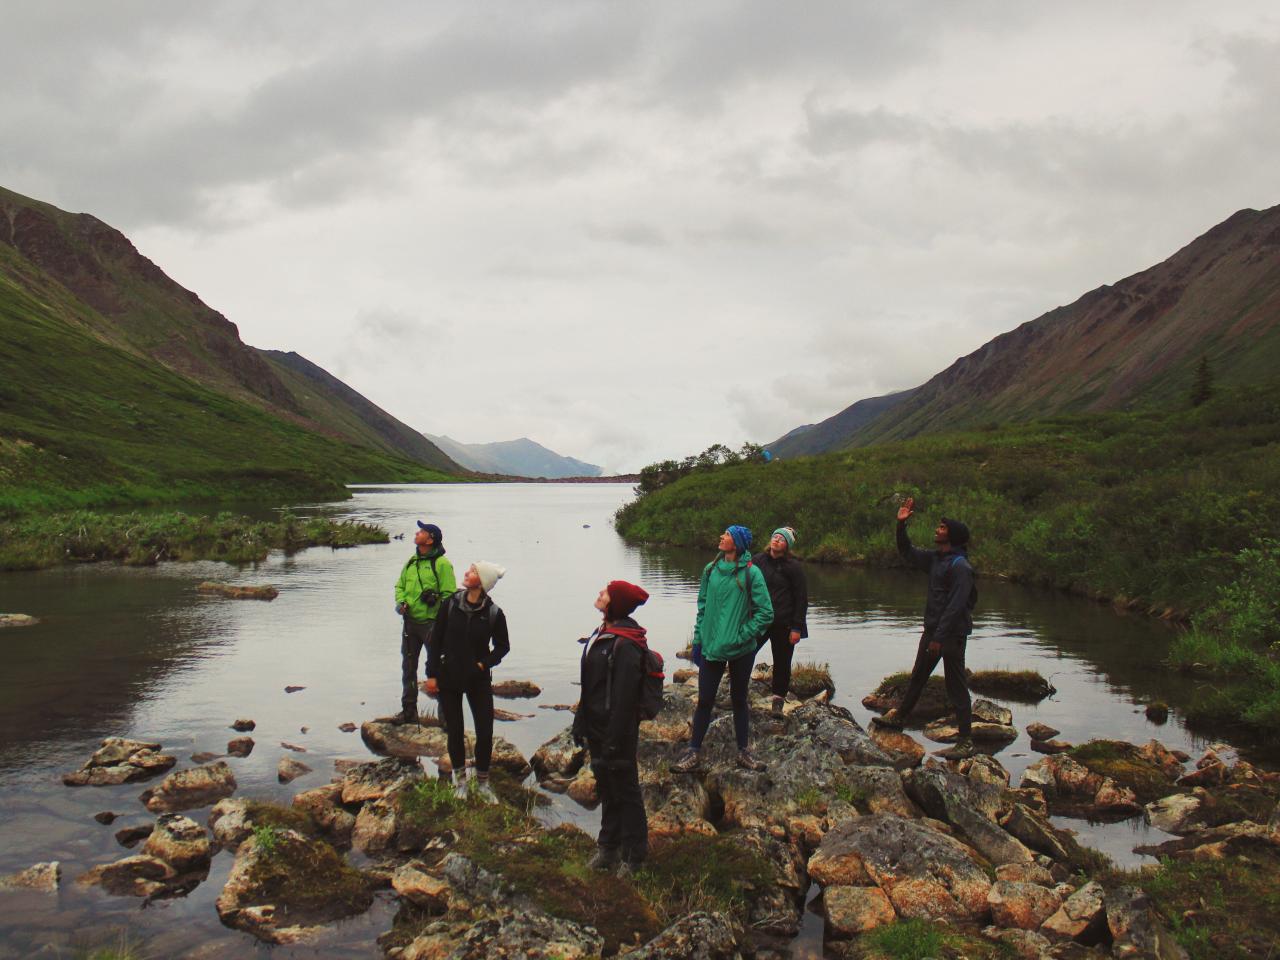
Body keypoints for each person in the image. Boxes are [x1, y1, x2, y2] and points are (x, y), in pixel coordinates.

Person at [873, 497, 978, 759]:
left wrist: (938, 638)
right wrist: (901, 526)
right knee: (918, 676)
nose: (937, 529)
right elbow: (907, 551)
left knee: (956, 686)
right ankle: (899, 718)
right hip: (933, 632)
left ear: (952, 536)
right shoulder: (936, 559)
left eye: (942, 528)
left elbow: (955, 607)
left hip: (951, 636)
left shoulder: (961, 567)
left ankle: (966, 741)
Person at [673, 525, 774, 773]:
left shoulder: (752, 573)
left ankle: (743, 752)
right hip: (711, 648)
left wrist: (742, 635)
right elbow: (702, 607)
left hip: (741, 649)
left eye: (727, 535)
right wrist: (698, 639)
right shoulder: (711, 570)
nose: (721, 537)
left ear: (737, 544)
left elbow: (766, 613)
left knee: (739, 699)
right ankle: (693, 752)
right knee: (705, 700)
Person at [572, 580, 652, 876]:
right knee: (607, 787)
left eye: (605, 593)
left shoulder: (626, 644)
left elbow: (625, 698)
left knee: (626, 791)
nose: (599, 594)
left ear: (615, 603)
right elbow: (590, 684)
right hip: (596, 726)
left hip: (617, 731)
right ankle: (608, 848)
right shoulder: (602, 633)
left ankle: (634, 858)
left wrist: (614, 739)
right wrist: (580, 720)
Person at [425, 561, 509, 795]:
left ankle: (483, 784)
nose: (466, 573)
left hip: (477, 679)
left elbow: (502, 647)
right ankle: (461, 783)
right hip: (449, 677)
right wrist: (431, 674)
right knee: (455, 730)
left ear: (482, 582)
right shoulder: (450, 604)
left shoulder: (494, 613)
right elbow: (435, 640)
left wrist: (483, 664)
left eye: (473, 572)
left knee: (485, 732)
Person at [393, 522, 457, 724]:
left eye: (421, 532)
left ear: (430, 540)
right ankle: (409, 712)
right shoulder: (411, 561)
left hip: (432, 625)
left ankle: (445, 719)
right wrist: (401, 603)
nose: (417, 533)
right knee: (408, 668)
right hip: (410, 623)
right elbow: (400, 586)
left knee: (439, 670)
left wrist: (435, 604)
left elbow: (449, 596)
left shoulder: (442, 564)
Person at [753, 526, 808, 716]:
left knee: (782, 662)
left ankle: (778, 701)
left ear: (787, 546)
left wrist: (797, 628)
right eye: (775, 536)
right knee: (743, 653)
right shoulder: (758, 560)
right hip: (758, 620)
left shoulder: (793, 567)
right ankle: (737, 692)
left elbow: (801, 599)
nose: (776, 540)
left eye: (781, 539)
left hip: (783, 623)